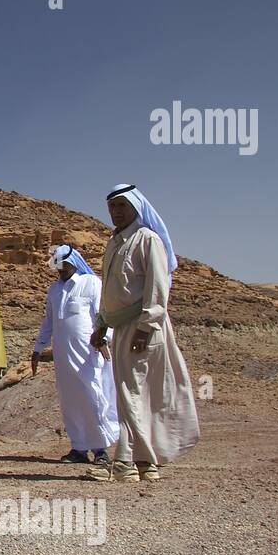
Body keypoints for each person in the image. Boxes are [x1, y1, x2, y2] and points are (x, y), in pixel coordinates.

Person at [86, 184, 200, 482]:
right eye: (112, 207)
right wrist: (101, 325)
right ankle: (144, 463)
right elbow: (110, 291)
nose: (116, 212)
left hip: (143, 329)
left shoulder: (148, 240)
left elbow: (157, 288)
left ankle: (127, 461)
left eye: (121, 206)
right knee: (129, 394)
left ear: (136, 206)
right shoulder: (114, 243)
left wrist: (146, 328)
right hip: (121, 327)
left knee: (132, 393)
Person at [31, 245, 120, 465]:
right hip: (63, 356)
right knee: (70, 401)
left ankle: (101, 450)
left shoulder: (91, 284)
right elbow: (49, 322)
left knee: (93, 397)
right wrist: (37, 348)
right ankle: (79, 448)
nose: (60, 270)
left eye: (64, 265)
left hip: (89, 352)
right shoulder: (54, 290)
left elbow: (104, 313)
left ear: (74, 262)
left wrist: (104, 339)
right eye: (57, 266)